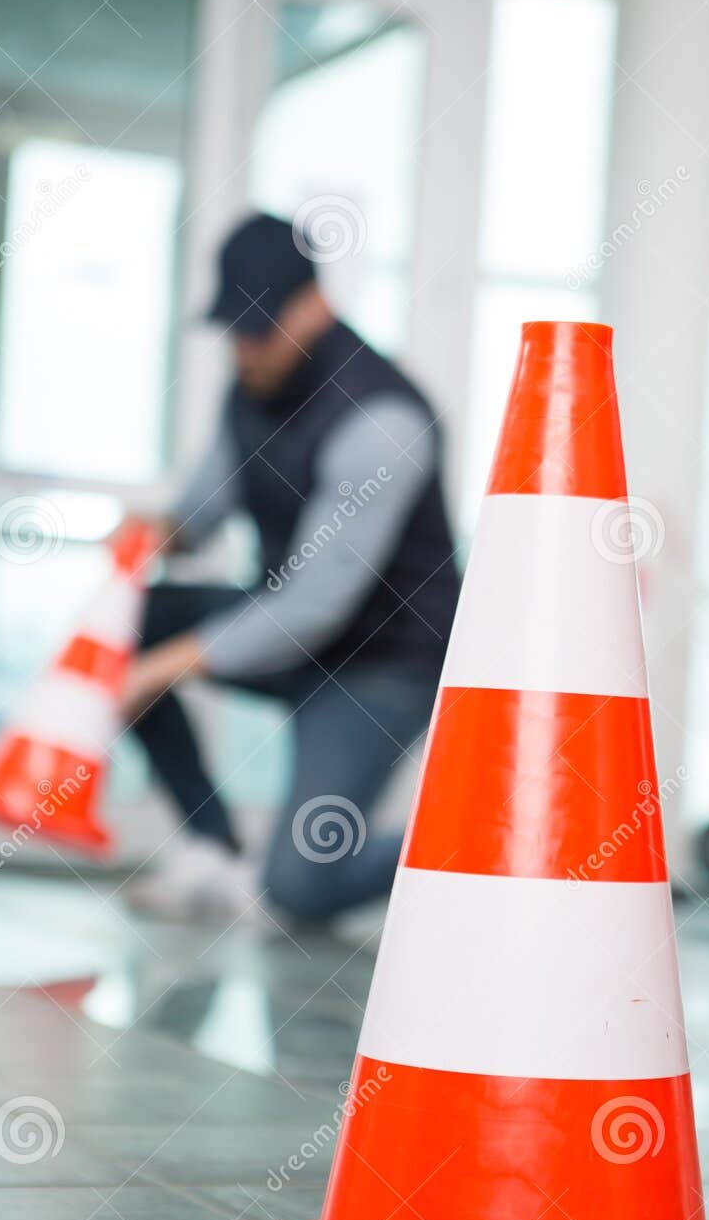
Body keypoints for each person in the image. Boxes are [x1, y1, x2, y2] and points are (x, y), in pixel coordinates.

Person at [117, 212, 459, 926]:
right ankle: (211, 849)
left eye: (262, 329)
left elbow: (315, 605)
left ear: (313, 307)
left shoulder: (384, 422)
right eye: (235, 331)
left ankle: (482, 841)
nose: (246, 349)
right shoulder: (249, 388)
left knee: (300, 888)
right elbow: (202, 510)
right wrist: (155, 533)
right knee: (133, 623)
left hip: (381, 665)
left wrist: (165, 667)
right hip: (296, 636)